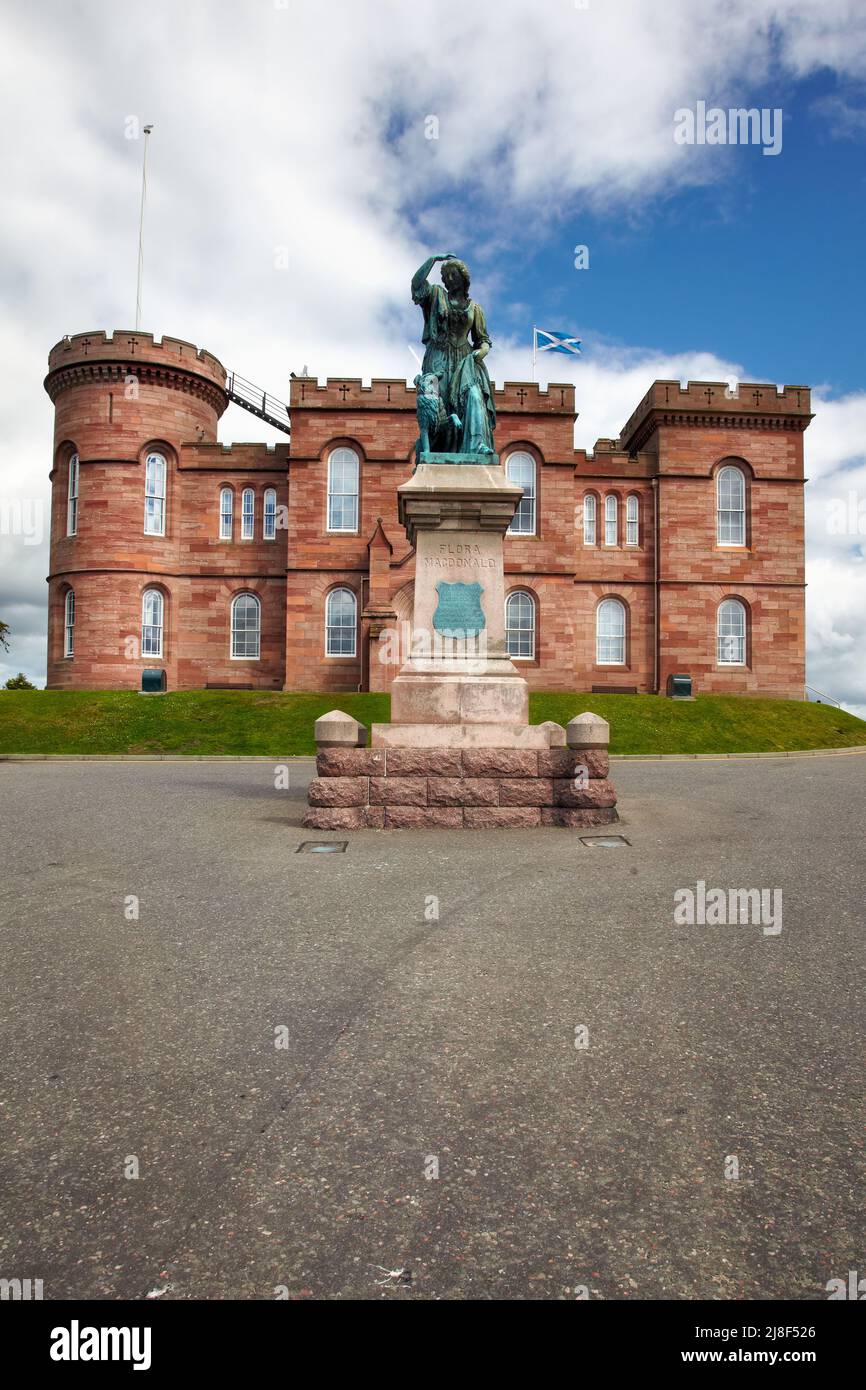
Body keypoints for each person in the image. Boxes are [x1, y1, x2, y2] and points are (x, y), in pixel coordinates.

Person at [410, 253, 496, 455]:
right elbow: (416, 285)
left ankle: (476, 445)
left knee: (474, 396)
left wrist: (481, 352)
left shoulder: (475, 308)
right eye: (445, 275)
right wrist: (432, 260)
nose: (448, 279)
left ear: (463, 278)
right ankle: (435, 449)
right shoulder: (435, 295)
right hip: (438, 358)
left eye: (453, 274)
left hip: (465, 359)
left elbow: (483, 339)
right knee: (437, 405)